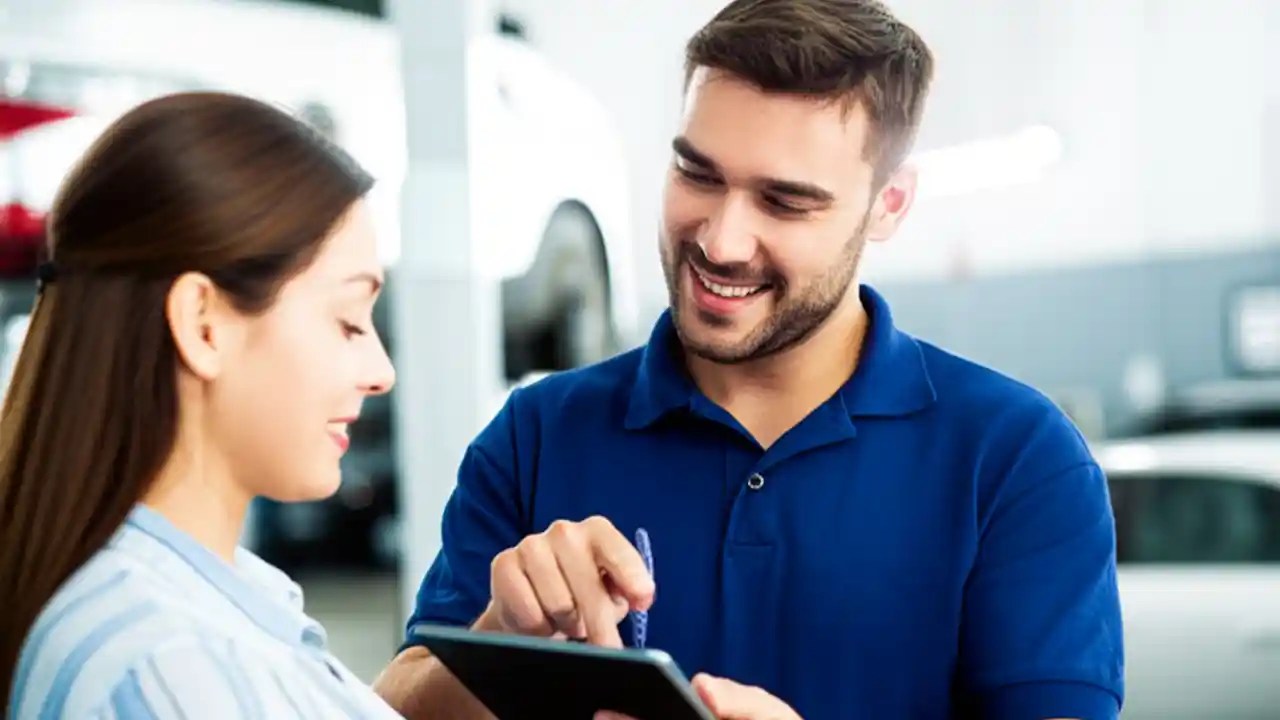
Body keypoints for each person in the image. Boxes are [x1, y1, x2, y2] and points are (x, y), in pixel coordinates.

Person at [374, 1, 1124, 718]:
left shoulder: (1016, 459)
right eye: (698, 175)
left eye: (785, 202)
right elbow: (394, 708)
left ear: (888, 204)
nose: (721, 241)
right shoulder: (538, 434)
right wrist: (501, 634)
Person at [0, 91, 402, 718]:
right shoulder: (168, 668)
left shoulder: (206, 611)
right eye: (348, 320)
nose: (382, 373)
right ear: (203, 324)